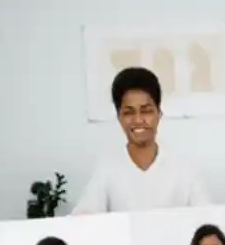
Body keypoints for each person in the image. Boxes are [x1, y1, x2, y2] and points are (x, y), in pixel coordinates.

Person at [72, 67, 210, 214]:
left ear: (159, 113)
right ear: (119, 117)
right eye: (128, 112)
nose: (138, 120)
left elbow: (208, 222)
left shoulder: (183, 168)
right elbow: (82, 220)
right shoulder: (107, 169)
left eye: (146, 111)